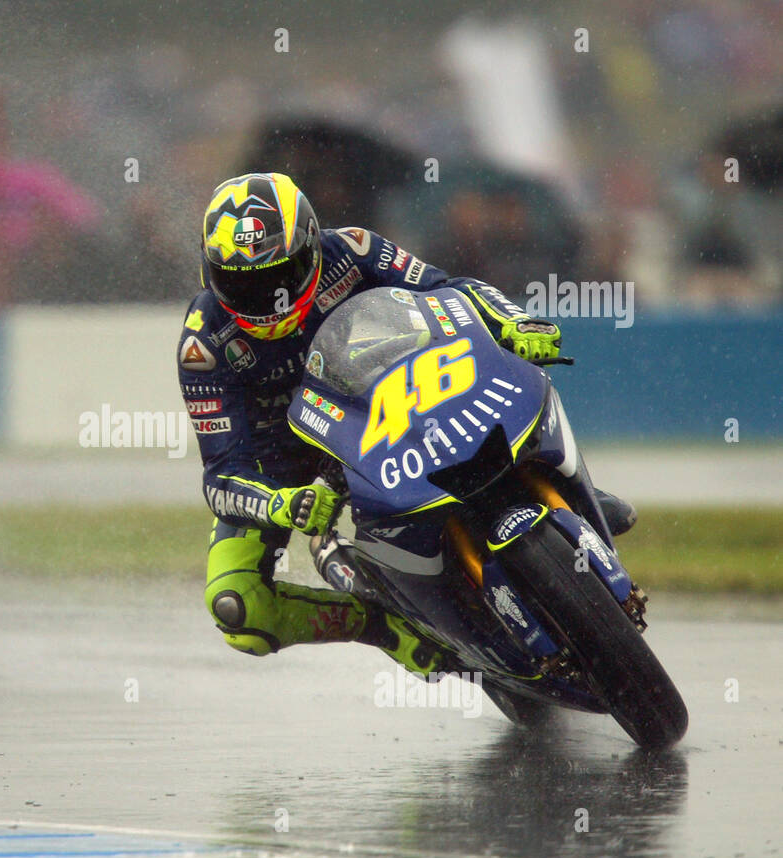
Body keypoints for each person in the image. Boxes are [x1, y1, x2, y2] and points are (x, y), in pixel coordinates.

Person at [179, 172, 633, 670]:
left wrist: (512, 322)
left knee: (506, 390)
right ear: (210, 273)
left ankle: (564, 488)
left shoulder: (352, 249)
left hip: (379, 399)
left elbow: (446, 292)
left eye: (276, 278)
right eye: (242, 283)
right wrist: (285, 503)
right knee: (237, 607)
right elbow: (221, 477)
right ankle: (387, 625)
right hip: (283, 460)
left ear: (309, 247)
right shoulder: (205, 346)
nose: (266, 301)